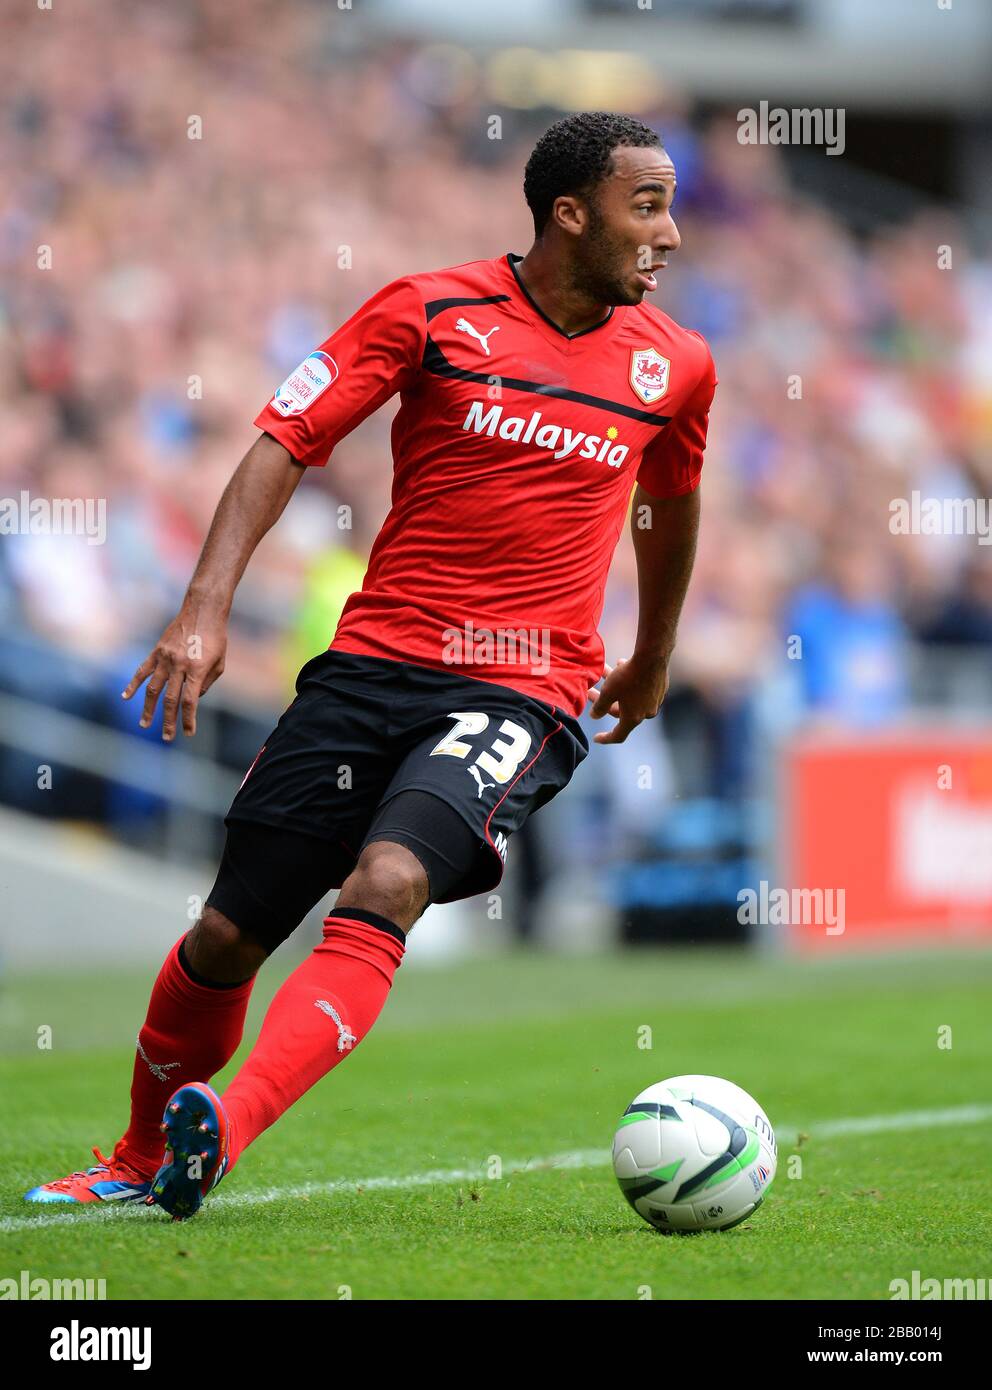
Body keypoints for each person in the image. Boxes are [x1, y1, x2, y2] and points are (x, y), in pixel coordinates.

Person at [26, 111, 716, 1220]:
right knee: (225, 934)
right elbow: (283, 439)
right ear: (568, 213)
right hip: (372, 665)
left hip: (522, 686)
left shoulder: (675, 365)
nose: (670, 233)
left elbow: (669, 509)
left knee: (390, 881)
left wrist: (649, 656)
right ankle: (135, 1149)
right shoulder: (427, 309)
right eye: (647, 206)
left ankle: (226, 1125)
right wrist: (202, 610)